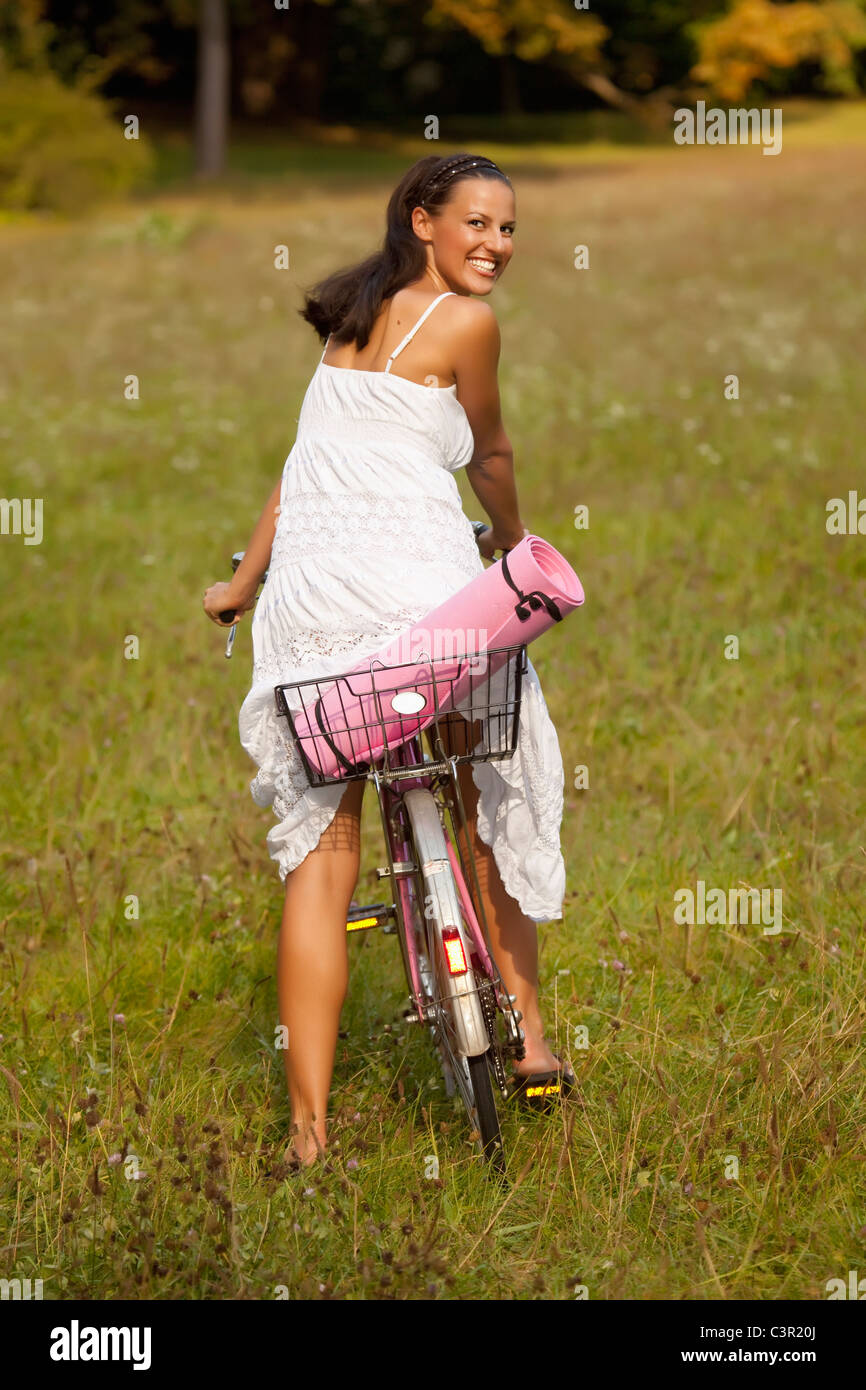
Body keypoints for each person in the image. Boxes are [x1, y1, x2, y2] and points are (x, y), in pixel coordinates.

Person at [203, 152, 574, 1169]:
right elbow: (488, 452)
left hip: (311, 622)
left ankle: (309, 1134)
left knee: (323, 862)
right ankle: (532, 1036)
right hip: (420, 611)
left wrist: (241, 587)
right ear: (422, 220)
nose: (496, 244)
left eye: (508, 229)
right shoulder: (466, 325)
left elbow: (299, 470)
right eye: (477, 223)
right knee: (480, 790)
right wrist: (510, 540)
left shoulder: (345, 324)